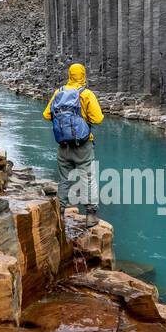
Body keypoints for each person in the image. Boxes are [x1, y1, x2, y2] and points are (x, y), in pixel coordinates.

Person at [44, 63, 104, 223]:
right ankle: (90, 215)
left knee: (64, 179)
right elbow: (98, 119)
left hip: (63, 145)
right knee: (87, 178)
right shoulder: (86, 94)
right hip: (83, 146)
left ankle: (60, 211)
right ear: (83, 75)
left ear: (69, 75)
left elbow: (47, 115)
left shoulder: (59, 92)